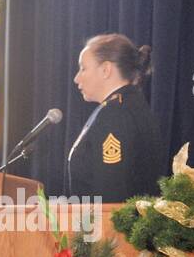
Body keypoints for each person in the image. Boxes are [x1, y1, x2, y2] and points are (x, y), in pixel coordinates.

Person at [67, 33, 166, 202]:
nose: (77, 78)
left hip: (107, 226)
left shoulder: (115, 115)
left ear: (106, 70)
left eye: (83, 68)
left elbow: (112, 196)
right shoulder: (130, 105)